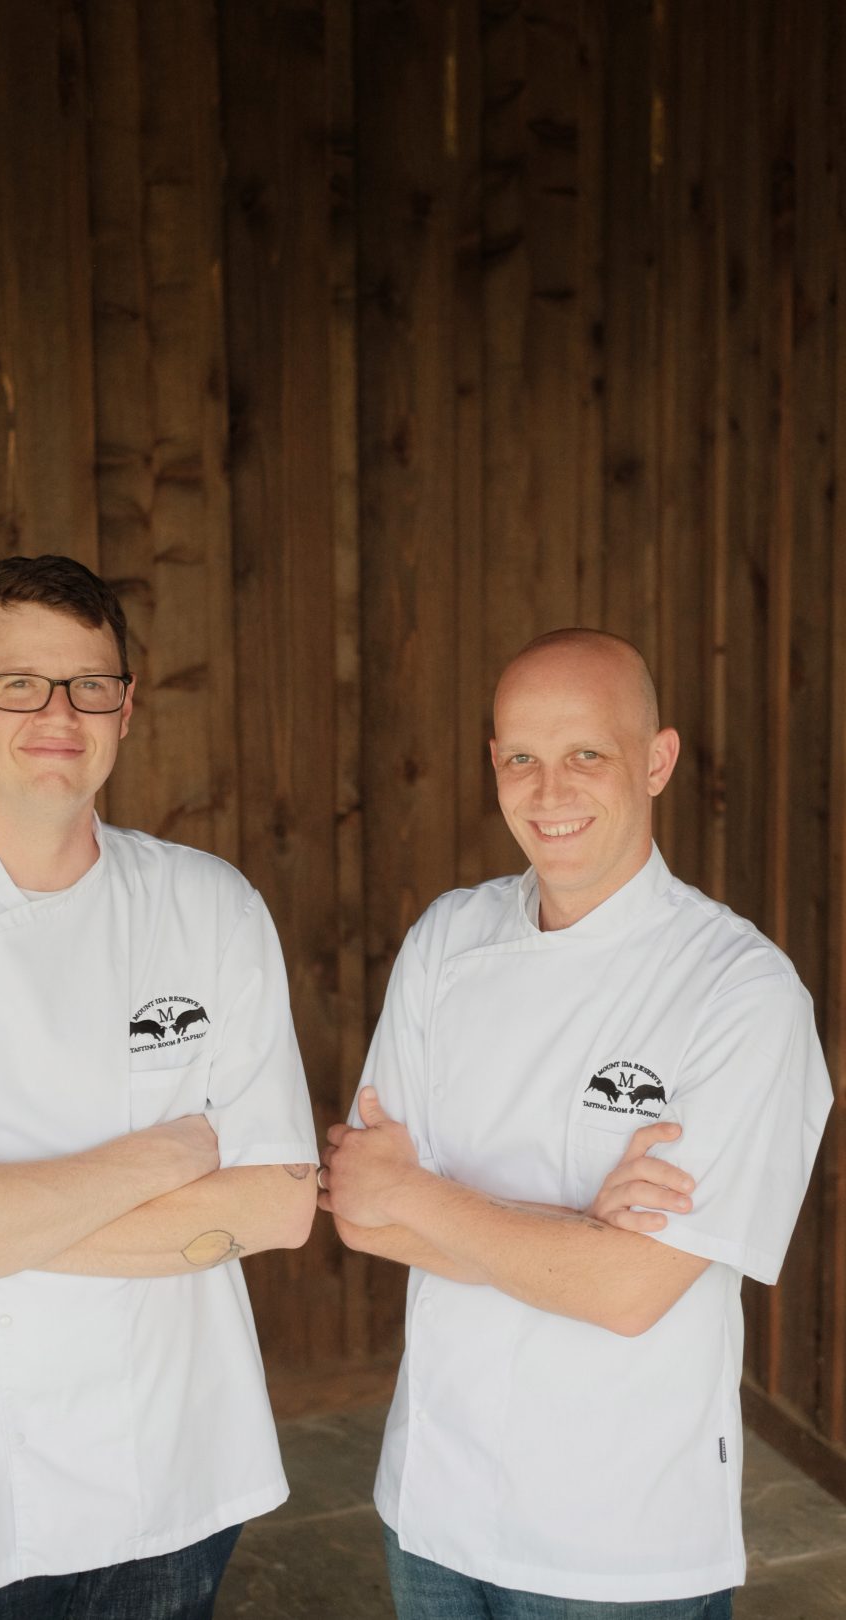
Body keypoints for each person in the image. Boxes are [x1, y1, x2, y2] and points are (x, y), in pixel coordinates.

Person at [0, 554, 318, 1618]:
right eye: (18, 684)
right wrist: (175, 1150)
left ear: (125, 706)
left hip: (180, 1471)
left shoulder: (211, 907)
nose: (58, 713)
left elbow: (280, 1206)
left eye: (89, 684)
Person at [319, 628, 832, 1620]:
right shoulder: (447, 941)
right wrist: (575, 1234)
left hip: (620, 1541)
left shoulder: (740, 990)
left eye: (585, 754)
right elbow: (360, 1215)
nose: (548, 790)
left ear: (657, 759)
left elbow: (628, 1292)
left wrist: (425, 1195)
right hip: (431, 1506)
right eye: (521, 757)